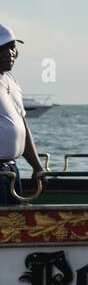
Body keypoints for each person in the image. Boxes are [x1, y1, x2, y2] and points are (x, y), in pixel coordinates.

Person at [0, 24, 45, 205]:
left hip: (11, 170)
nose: (10, 53)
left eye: (12, 47)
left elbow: (23, 128)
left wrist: (37, 167)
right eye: (2, 49)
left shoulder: (12, 81)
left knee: (14, 226)